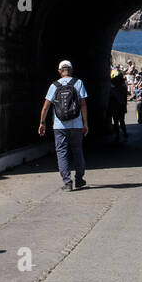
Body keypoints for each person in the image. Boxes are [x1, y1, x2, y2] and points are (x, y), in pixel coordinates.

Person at [39, 60, 89, 191]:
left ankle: (67, 182)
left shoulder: (54, 85)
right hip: (76, 124)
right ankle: (79, 179)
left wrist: (42, 123)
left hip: (59, 126)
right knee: (77, 151)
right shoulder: (78, 83)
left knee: (62, 153)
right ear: (71, 70)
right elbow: (83, 104)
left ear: (59, 71)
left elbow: (46, 107)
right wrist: (85, 123)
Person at [108, 67, 129, 142]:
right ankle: (124, 133)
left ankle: (117, 135)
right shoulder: (123, 89)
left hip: (115, 107)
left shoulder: (112, 90)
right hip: (121, 107)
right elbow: (124, 100)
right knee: (122, 121)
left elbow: (110, 100)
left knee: (116, 121)